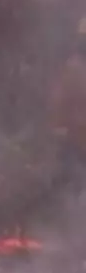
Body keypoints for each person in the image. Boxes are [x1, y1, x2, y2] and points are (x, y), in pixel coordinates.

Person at [49, 16, 86, 194]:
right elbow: (60, 98)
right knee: (73, 183)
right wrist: (59, 127)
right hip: (75, 139)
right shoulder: (73, 68)